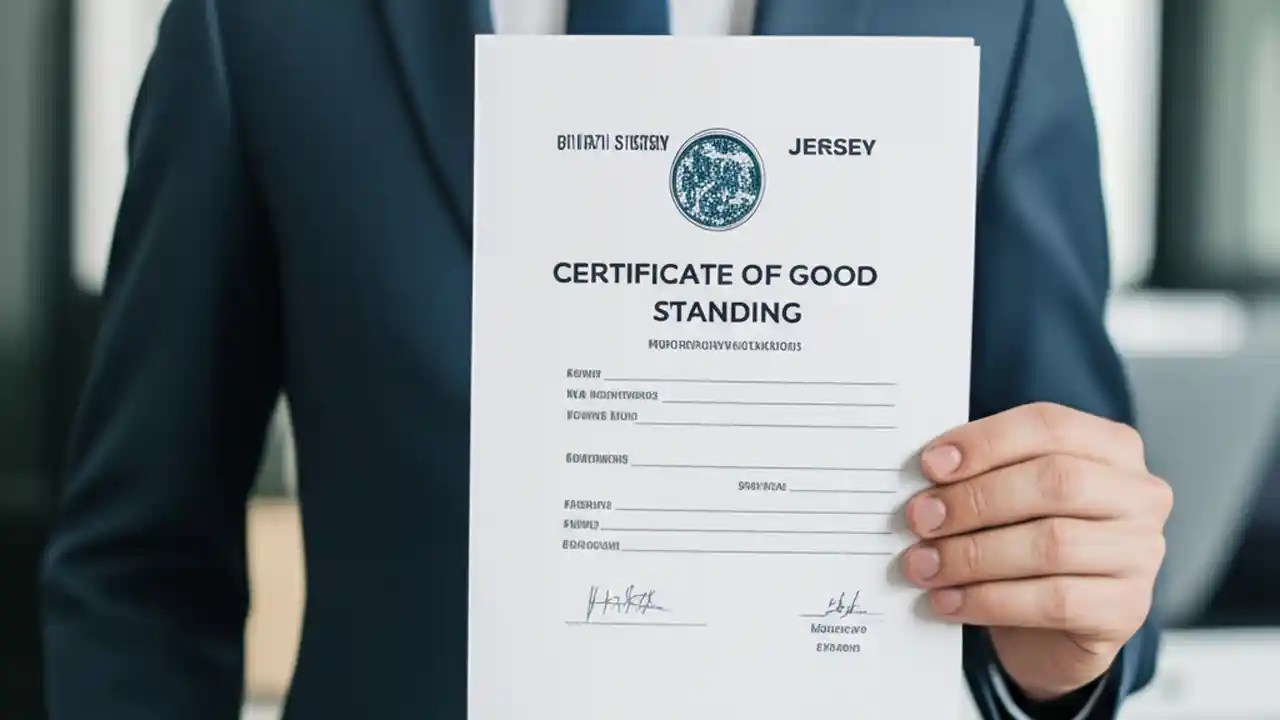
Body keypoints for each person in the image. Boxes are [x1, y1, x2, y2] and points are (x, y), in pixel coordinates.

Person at [40, 1, 1171, 718]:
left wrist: (1058, 663)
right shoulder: (261, 21)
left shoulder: (990, 14)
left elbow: (1077, 531)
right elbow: (139, 559)